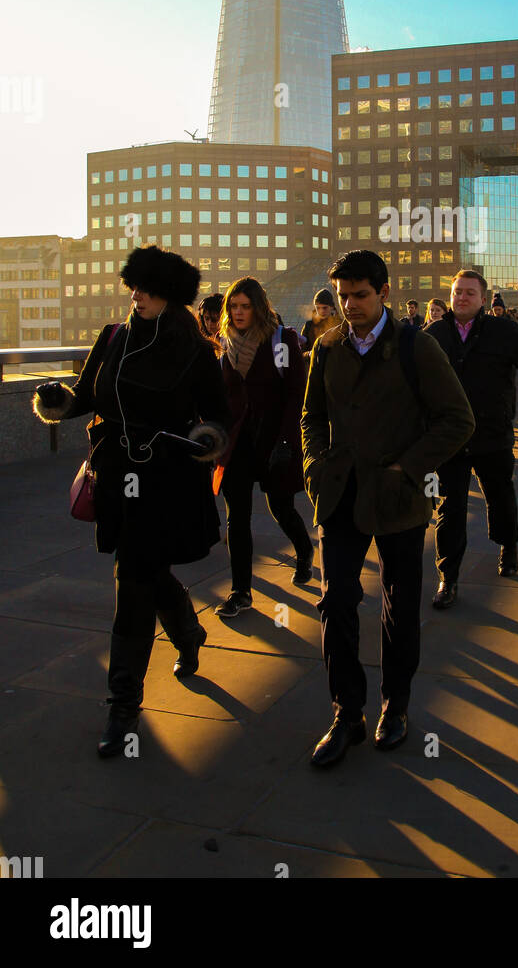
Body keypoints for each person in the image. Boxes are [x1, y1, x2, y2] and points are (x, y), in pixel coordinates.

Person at [31, 245, 229, 758]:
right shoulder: (114, 336)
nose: (137, 296)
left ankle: (123, 706)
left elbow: (218, 416)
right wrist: (59, 402)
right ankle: (187, 630)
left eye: (148, 289)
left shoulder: (194, 349)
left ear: (171, 296)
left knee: (134, 578)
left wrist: (206, 438)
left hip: (166, 478)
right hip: (118, 474)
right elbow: (88, 394)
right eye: (134, 287)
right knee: (143, 570)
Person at [301, 249, 474, 767]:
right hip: (341, 492)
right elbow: (310, 415)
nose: (349, 306)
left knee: (399, 606)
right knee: (335, 602)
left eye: (360, 295)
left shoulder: (415, 347)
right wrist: (314, 465)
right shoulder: (326, 348)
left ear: (384, 294)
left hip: (398, 497)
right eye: (343, 296)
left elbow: (458, 419)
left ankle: (395, 706)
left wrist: (407, 468)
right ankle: (345, 712)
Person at [425, 269, 518, 605]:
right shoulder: (433, 335)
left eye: (469, 293)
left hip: (493, 434)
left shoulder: (503, 331)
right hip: (451, 439)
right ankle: (449, 578)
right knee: (451, 508)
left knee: (500, 498)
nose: (462, 298)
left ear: (484, 299)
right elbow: (413, 384)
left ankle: (509, 545)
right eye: (457, 291)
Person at [215, 278, 314, 616]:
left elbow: (293, 395)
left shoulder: (282, 340)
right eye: (234, 307)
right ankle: (240, 592)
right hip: (237, 443)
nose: (239, 313)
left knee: (281, 508)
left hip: (274, 440)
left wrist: (287, 441)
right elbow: (221, 395)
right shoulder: (224, 344)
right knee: (236, 517)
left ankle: (304, 552)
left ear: (258, 307)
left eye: (245, 306)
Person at [300, 289, 341, 360]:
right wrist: (310, 354)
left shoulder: (340, 325)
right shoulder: (309, 326)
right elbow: (300, 352)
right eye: (318, 308)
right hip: (313, 366)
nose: (321, 311)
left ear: (331, 307)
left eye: (325, 308)